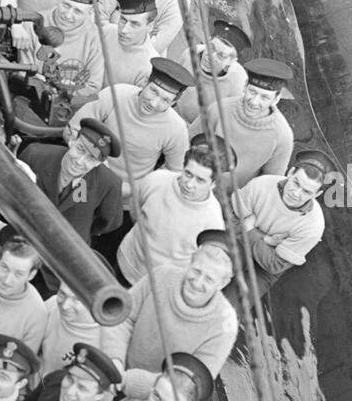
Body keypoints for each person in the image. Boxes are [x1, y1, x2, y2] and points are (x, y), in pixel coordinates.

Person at [102, 233, 238, 396]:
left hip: (159, 399)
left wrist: (129, 381)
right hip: (115, 366)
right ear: (190, 261)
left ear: (223, 283)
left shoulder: (224, 326)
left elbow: (191, 383)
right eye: (196, 270)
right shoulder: (161, 275)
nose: (197, 282)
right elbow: (123, 316)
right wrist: (114, 359)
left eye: (209, 279)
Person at [68, 56, 193, 211]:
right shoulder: (115, 94)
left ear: (173, 103)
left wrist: (134, 188)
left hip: (123, 199)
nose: (154, 103)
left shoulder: (176, 129)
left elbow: (174, 172)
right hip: (81, 177)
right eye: (153, 91)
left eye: (165, 100)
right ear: (145, 82)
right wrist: (83, 162)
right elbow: (73, 128)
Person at [19, 119, 123, 279]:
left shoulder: (109, 184)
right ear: (72, 141)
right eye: (80, 149)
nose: (80, 161)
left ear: (99, 163)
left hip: (64, 267)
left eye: (91, 159)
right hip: (21, 249)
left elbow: (108, 222)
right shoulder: (35, 155)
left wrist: (81, 227)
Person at [116, 142, 227, 285]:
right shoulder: (156, 180)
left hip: (159, 286)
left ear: (213, 184)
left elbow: (201, 263)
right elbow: (135, 210)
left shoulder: (213, 222)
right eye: (188, 174)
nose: (189, 184)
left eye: (200, 180)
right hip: (126, 264)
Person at [231, 148, 332, 297]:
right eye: (296, 183)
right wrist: (266, 240)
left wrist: (251, 230)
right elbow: (231, 221)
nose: (296, 194)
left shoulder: (313, 227)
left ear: (317, 194)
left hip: (261, 269)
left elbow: (274, 264)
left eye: (307, 192)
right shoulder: (261, 185)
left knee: (232, 307)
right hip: (237, 243)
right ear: (290, 173)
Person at [189, 57, 294, 187]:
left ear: (276, 99)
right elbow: (188, 140)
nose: (254, 102)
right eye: (252, 91)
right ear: (244, 86)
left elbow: (269, 182)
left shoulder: (282, 136)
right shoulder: (219, 108)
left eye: (264, 97)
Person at [175, 12, 250, 124]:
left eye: (221, 55)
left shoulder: (238, 82)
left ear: (231, 61)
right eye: (211, 47)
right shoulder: (191, 54)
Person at [88, 0, 159, 93]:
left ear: (150, 26)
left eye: (134, 24)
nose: (124, 30)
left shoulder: (149, 67)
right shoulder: (108, 31)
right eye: (123, 20)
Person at [37, 281, 108, 378]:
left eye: (77, 300)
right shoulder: (52, 305)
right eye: (62, 294)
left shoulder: (107, 338)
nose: (65, 306)